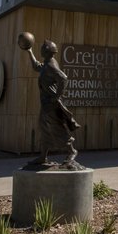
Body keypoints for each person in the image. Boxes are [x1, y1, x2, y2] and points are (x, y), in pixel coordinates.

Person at [23, 37, 81, 165]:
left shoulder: (51, 65)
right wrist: (30, 52)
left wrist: (57, 95)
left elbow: (63, 78)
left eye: (42, 49)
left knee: (56, 128)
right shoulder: (47, 63)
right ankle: (43, 156)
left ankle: (71, 151)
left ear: (47, 51)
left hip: (51, 104)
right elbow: (37, 66)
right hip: (46, 104)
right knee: (44, 129)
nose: (41, 51)